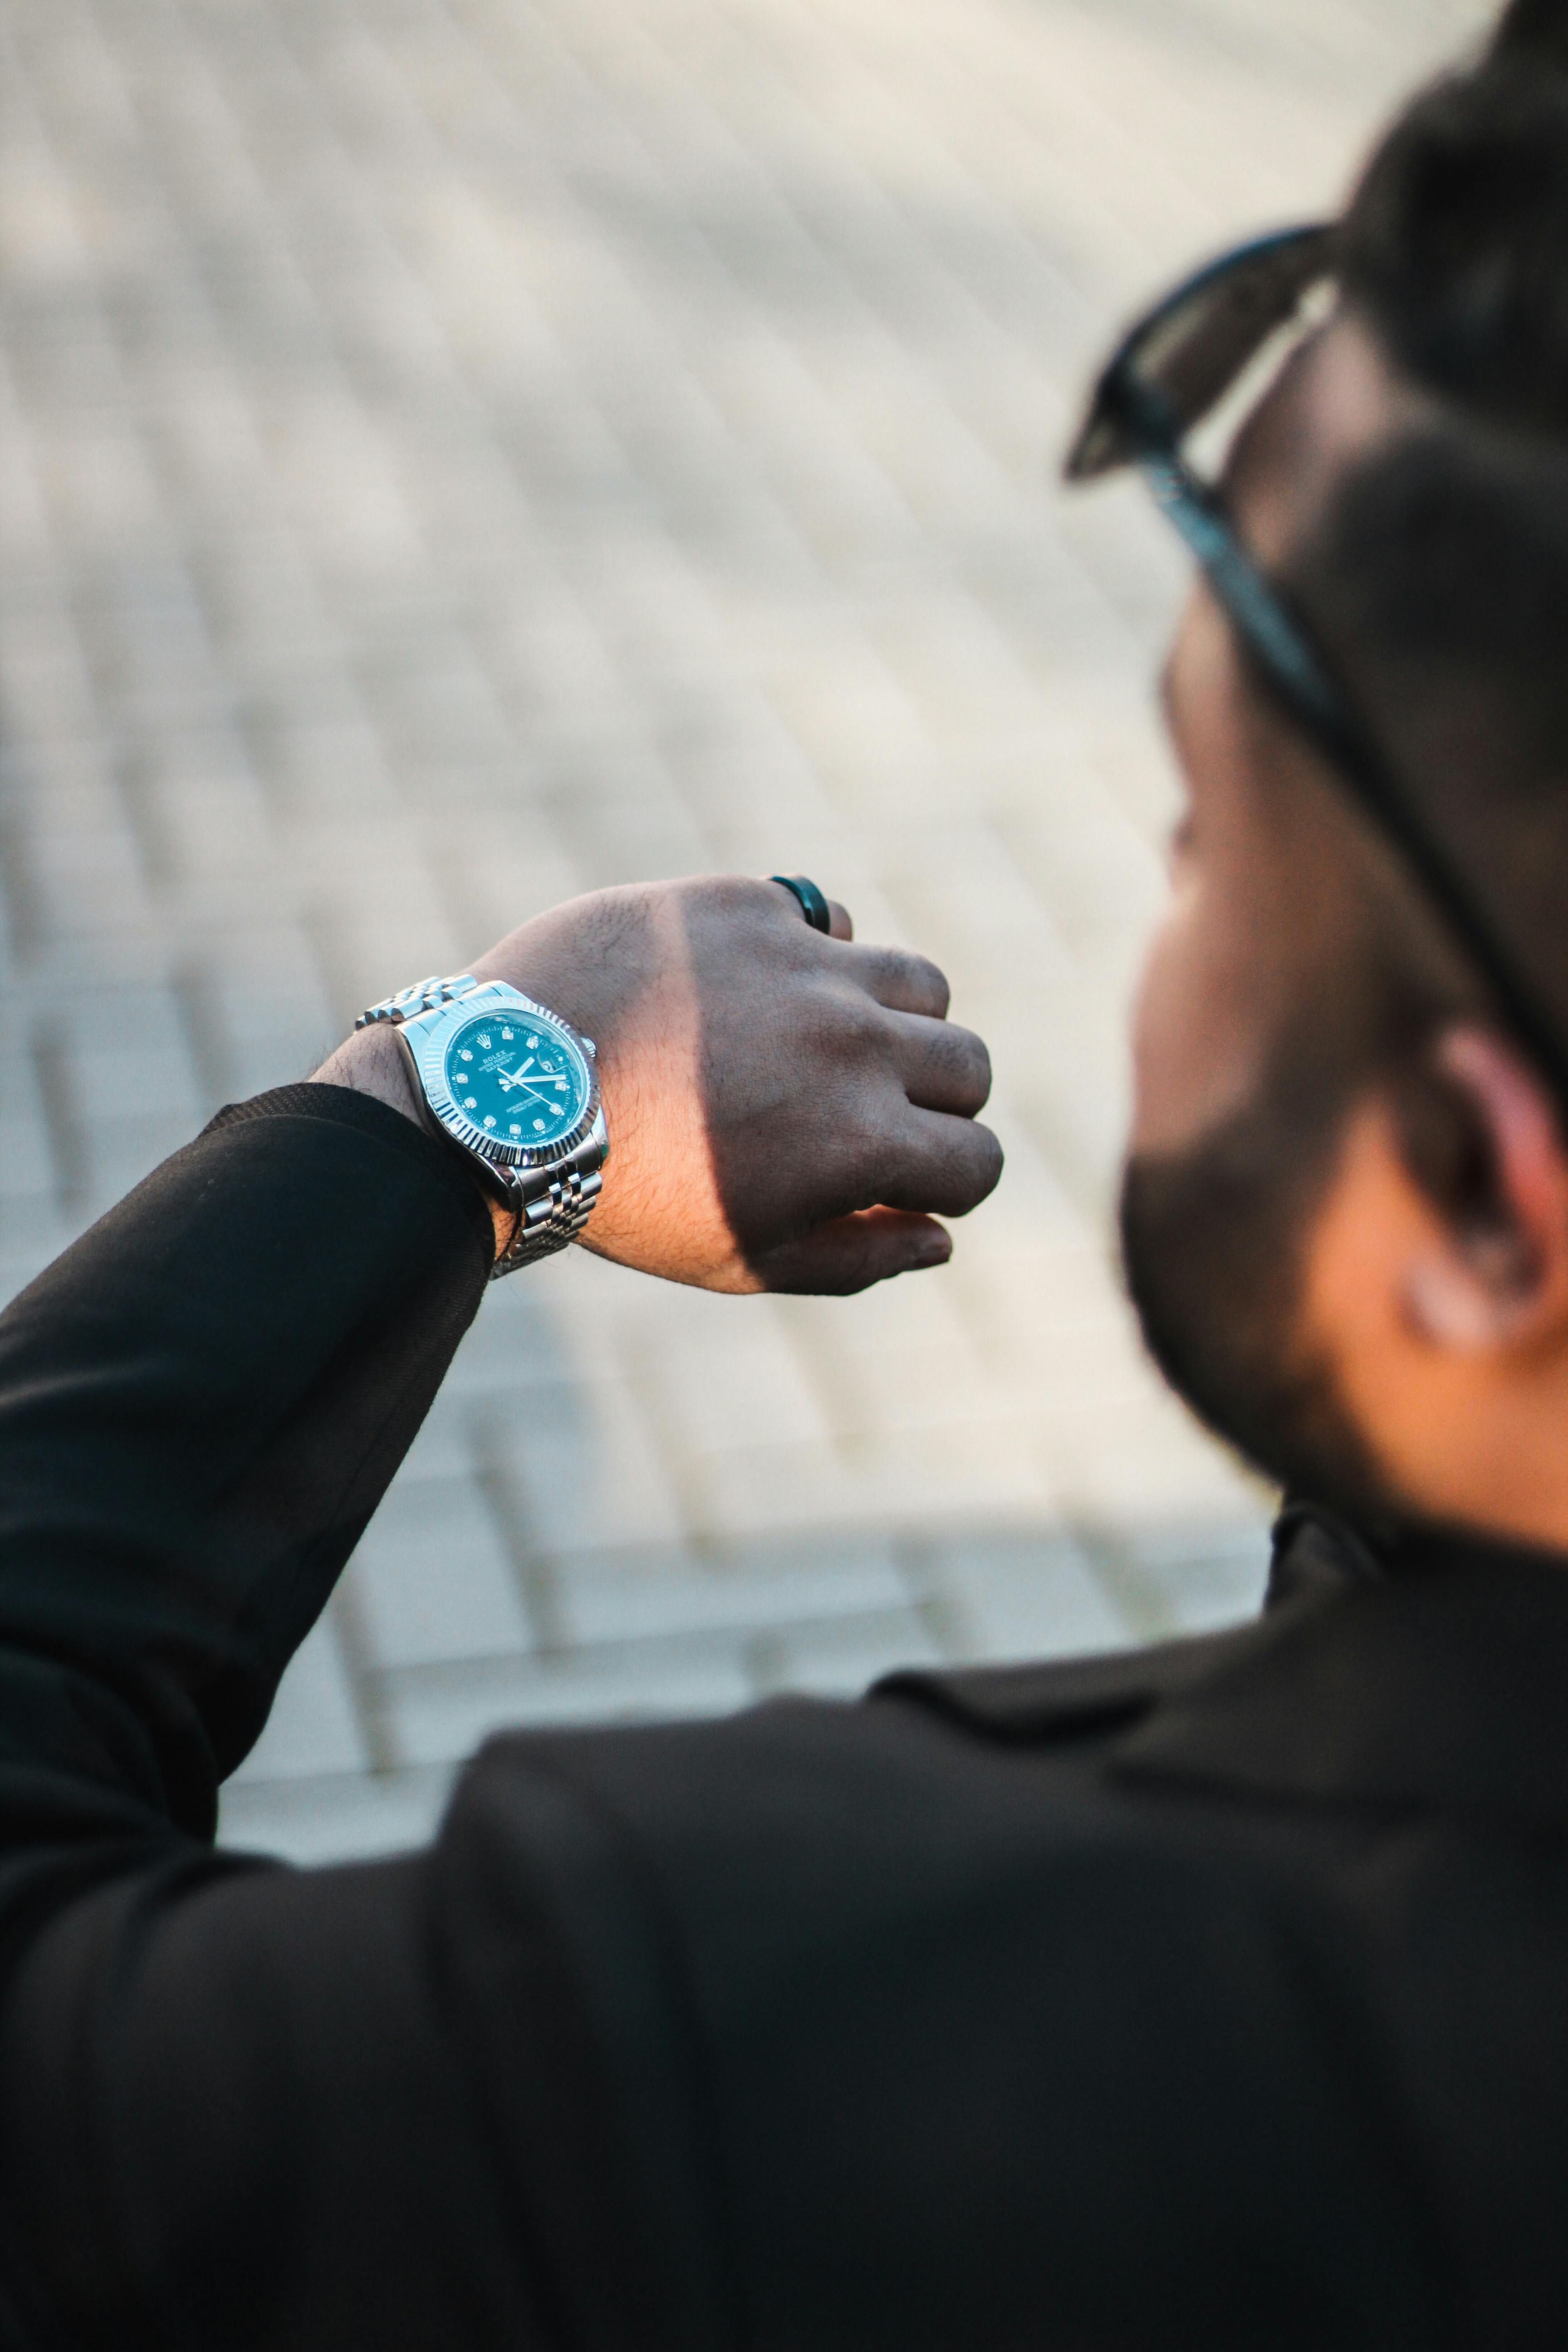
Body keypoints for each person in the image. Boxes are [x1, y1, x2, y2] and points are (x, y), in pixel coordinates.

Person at [3, 2, 1568, 2342]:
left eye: (1204, 826)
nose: (1160, 893)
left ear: (1481, 1197)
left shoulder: (777, 2027)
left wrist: (459, 1090)